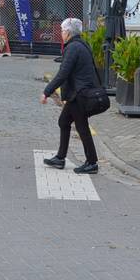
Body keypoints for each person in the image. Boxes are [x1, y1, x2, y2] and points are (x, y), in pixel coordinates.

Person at [40, 18, 99, 174]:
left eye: (62, 30)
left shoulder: (73, 48)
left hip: (79, 94)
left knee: (81, 127)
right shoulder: (81, 45)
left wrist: (47, 91)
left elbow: (63, 74)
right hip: (79, 93)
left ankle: (92, 163)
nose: (61, 33)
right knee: (64, 122)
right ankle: (60, 158)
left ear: (68, 32)